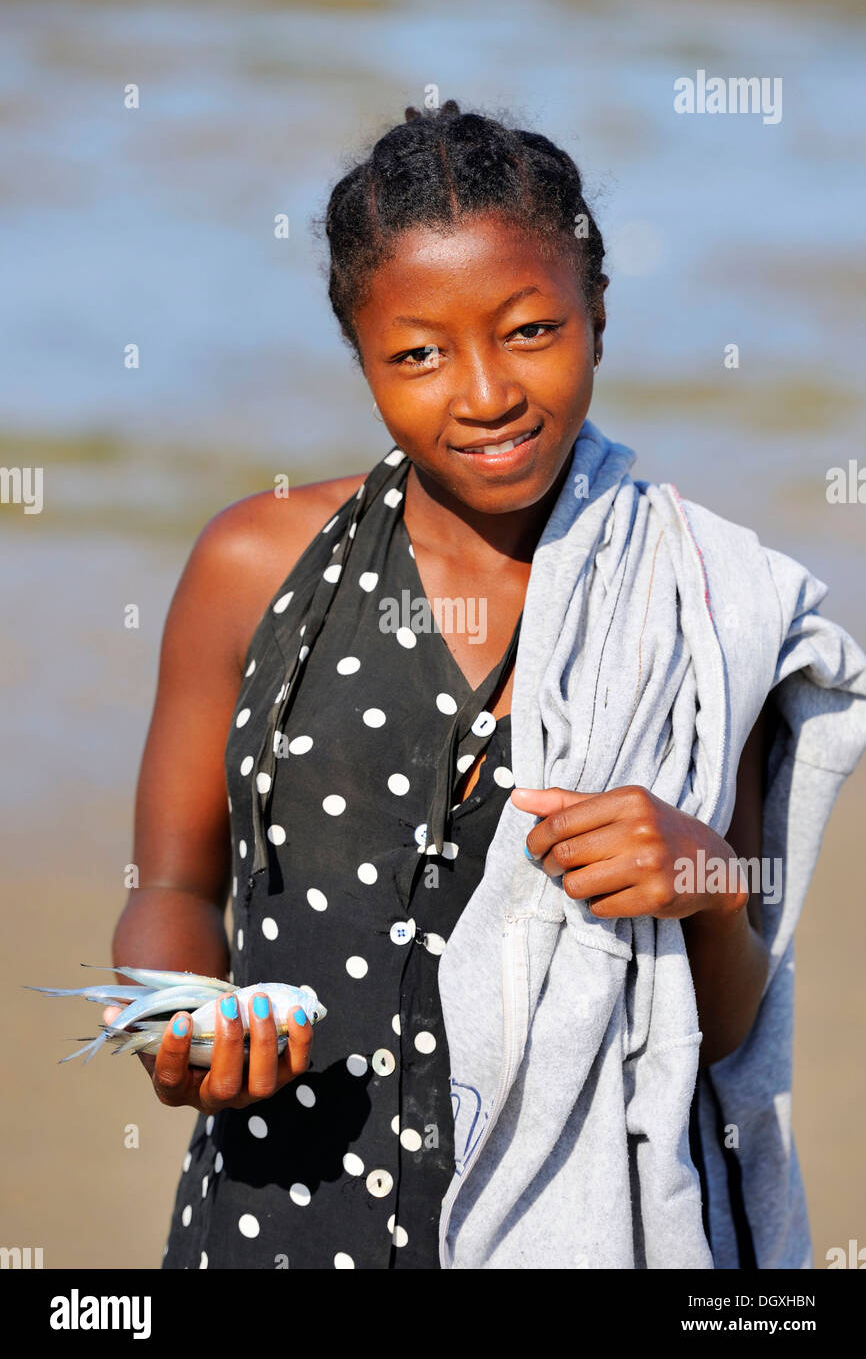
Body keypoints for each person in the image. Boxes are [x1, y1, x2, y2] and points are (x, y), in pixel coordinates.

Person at [109, 100, 774, 1270]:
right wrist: (178, 1016)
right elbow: (169, 881)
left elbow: (716, 1036)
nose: (482, 395)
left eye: (529, 330)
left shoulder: (700, 608)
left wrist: (710, 883)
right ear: (360, 355)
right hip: (279, 1212)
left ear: (598, 317)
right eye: (417, 353)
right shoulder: (254, 566)